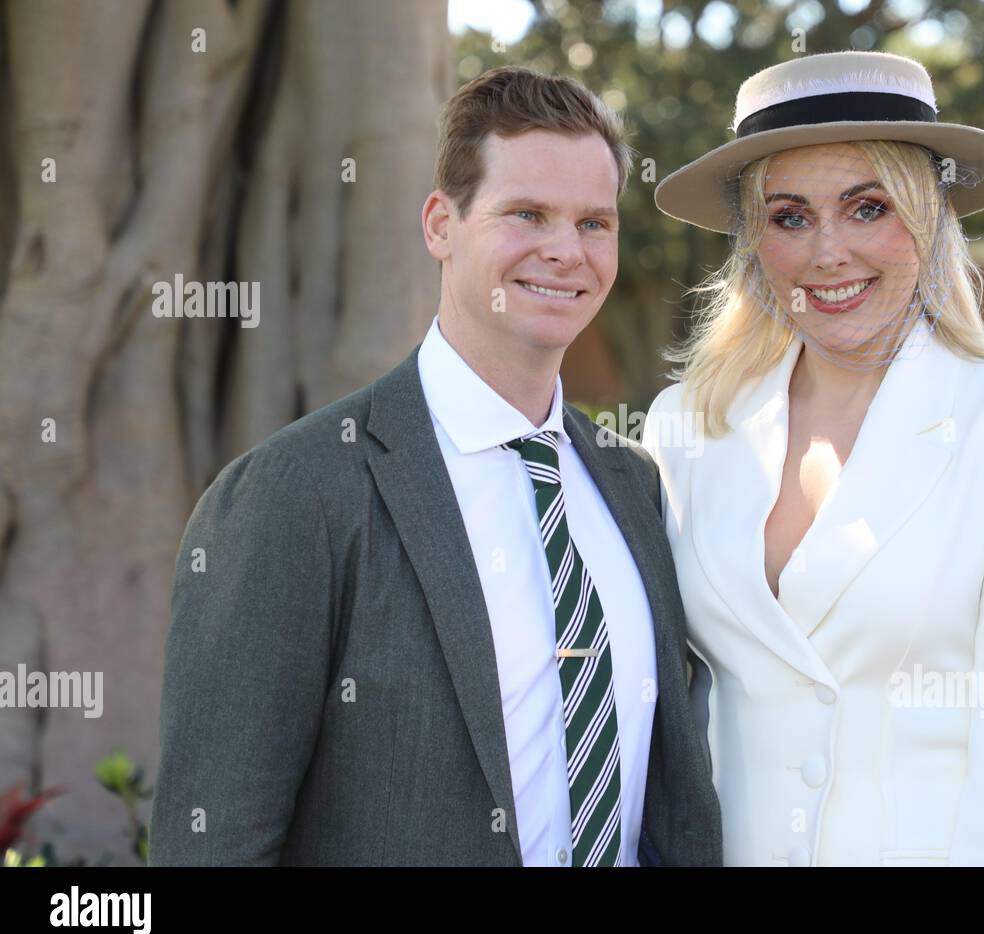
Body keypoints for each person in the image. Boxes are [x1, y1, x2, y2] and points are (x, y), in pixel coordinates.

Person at [150, 66, 721, 866]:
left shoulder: (634, 485)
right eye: (527, 214)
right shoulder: (295, 493)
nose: (565, 251)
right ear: (440, 224)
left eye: (594, 223)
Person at [643, 50, 984, 866]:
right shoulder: (685, 427)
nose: (828, 253)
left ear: (929, 219)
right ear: (753, 241)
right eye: (789, 217)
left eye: (867, 208)